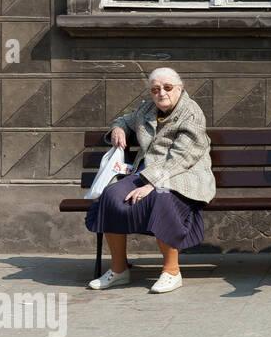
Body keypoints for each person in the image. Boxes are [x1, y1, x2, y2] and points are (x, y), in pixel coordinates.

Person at [86, 68, 215, 293]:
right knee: (110, 195)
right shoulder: (147, 109)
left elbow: (182, 157)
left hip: (183, 175)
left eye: (167, 88)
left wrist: (151, 184)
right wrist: (118, 128)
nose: (161, 93)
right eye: (155, 89)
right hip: (145, 174)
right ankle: (119, 270)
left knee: (162, 198)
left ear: (180, 88)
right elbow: (125, 119)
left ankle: (172, 272)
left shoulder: (191, 113)